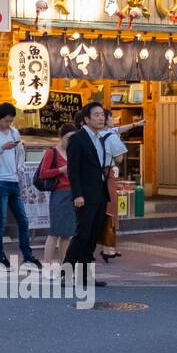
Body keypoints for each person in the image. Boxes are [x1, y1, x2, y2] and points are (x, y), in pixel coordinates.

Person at [0, 102, 39, 268]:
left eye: (10, 121)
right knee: (1, 221)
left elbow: (20, 153)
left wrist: (20, 169)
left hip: (14, 181)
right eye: (6, 121)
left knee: (23, 220)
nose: (8, 124)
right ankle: (0, 256)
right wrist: (1, 148)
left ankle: (27, 255)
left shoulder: (14, 133)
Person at [64, 103, 109, 289]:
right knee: (82, 234)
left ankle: (85, 276)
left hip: (99, 193)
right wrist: (77, 194)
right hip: (85, 195)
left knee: (92, 236)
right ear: (86, 119)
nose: (101, 118)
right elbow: (72, 170)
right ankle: (65, 273)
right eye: (96, 115)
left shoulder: (101, 138)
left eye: (102, 115)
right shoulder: (77, 139)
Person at [96, 111, 144, 263]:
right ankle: (108, 248)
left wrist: (136, 124)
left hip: (93, 175)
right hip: (108, 174)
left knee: (98, 212)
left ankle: (97, 247)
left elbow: (119, 129)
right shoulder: (110, 136)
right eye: (110, 117)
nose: (113, 120)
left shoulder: (92, 134)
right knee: (111, 211)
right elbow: (119, 157)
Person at [38, 124, 78, 268]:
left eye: (74, 138)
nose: (71, 141)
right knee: (55, 231)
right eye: (68, 138)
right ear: (61, 137)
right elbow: (43, 173)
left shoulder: (74, 152)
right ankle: (47, 265)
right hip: (59, 194)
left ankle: (64, 265)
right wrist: (61, 169)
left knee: (67, 233)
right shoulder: (52, 152)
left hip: (73, 193)